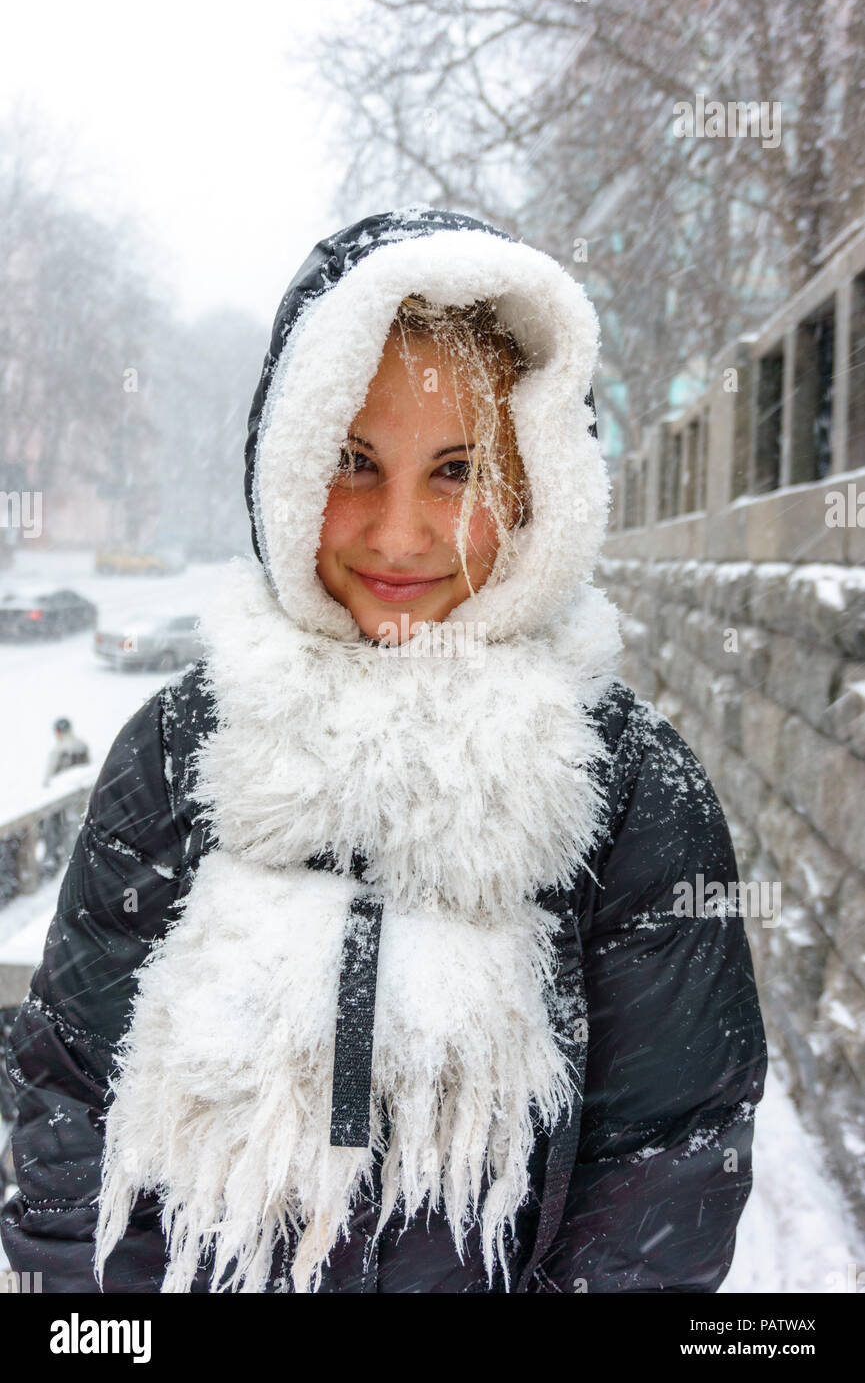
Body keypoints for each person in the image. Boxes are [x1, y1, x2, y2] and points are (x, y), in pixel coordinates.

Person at [0, 208, 767, 1294]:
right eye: (353, 461)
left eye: (455, 470)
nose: (400, 535)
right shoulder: (183, 748)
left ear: (534, 484)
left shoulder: (628, 787)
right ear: (289, 463)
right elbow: (70, 1087)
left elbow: (668, 1161)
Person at [42, 718, 90, 788]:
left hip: (65, 788)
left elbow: (49, 776)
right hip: (86, 783)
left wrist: (46, 785)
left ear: (59, 731)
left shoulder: (57, 750)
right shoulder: (82, 744)